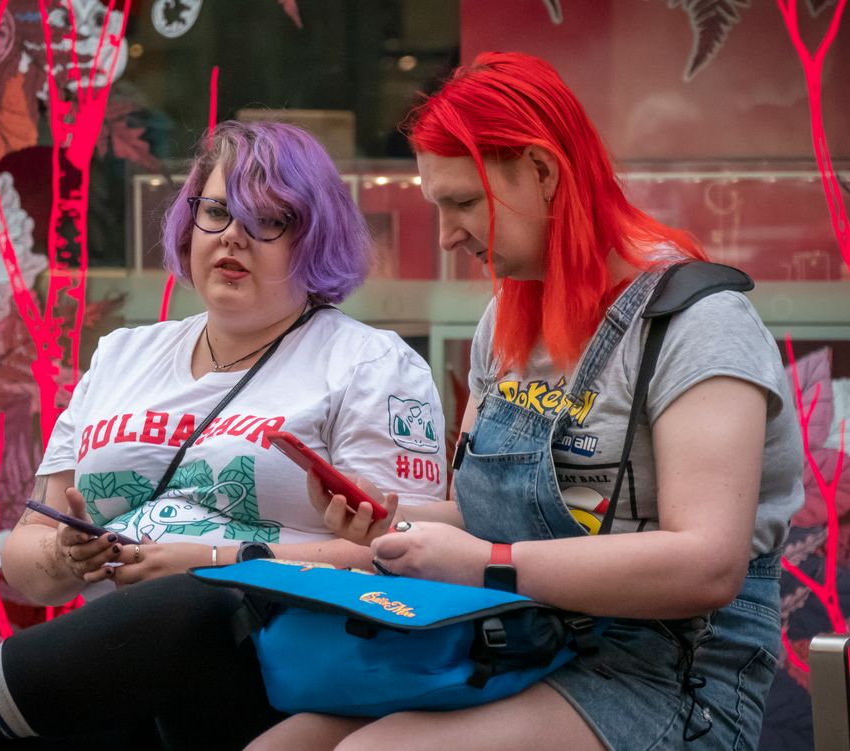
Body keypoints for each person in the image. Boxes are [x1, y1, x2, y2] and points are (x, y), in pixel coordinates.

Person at [247, 52, 803, 751]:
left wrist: (483, 562)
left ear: (541, 173)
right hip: (526, 644)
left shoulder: (698, 321)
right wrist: (387, 517)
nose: (448, 234)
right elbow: (479, 517)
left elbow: (707, 563)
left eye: (462, 202)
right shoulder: (505, 323)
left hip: (677, 677)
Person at [0, 120, 447, 751]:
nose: (233, 238)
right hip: (116, 661)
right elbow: (25, 561)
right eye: (216, 212)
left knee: (190, 604)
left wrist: (211, 562)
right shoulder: (122, 355)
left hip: (282, 660)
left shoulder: (370, 364)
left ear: (314, 236)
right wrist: (65, 556)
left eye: (268, 220)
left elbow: (401, 560)